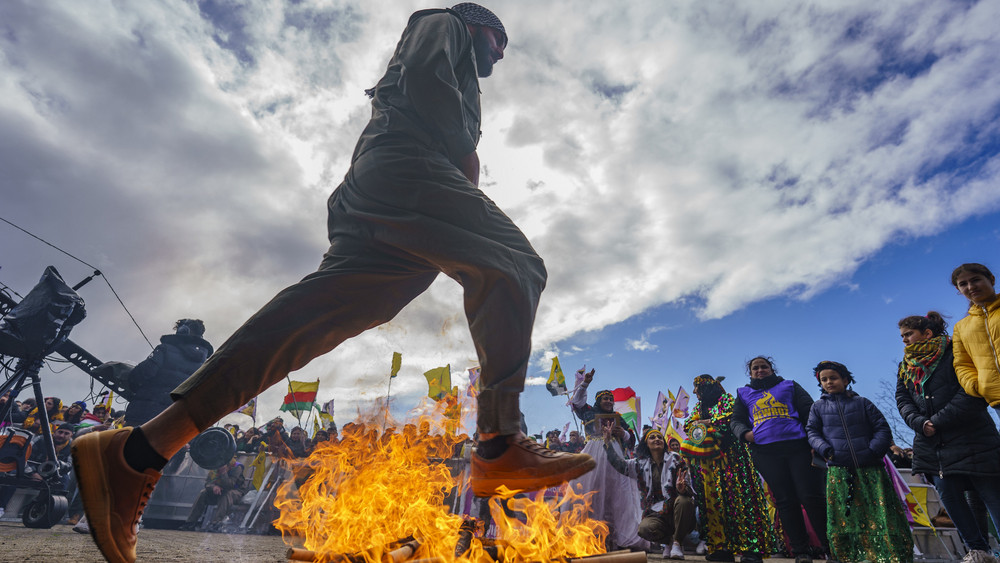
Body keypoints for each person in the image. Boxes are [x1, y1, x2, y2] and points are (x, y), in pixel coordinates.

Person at [71, 5, 595, 562]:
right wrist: (466, 157)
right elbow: (425, 75)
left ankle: (140, 452)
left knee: (308, 322)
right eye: (499, 38)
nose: (502, 53)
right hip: (405, 170)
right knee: (515, 264)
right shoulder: (443, 22)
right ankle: (500, 440)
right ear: (477, 23)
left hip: (385, 191)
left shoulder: (465, 66)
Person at [896, 312, 1000, 563]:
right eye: (902, 336)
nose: (905, 340)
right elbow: (902, 400)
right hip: (933, 446)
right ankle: (977, 551)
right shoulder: (905, 366)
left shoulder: (956, 352)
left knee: (993, 497)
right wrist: (920, 423)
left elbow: (971, 390)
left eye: (909, 334)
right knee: (950, 498)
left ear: (927, 333)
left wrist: (937, 421)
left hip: (974, 438)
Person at [806, 361, 912, 563]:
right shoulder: (817, 408)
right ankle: (849, 555)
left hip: (870, 468)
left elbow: (882, 428)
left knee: (879, 512)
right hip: (839, 470)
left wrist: (872, 451)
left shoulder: (862, 403)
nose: (829, 382)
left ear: (845, 380)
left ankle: (888, 554)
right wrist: (826, 450)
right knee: (846, 515)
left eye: (833, 378)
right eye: (824, 380)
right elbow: (812, 432)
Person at [731, 356, 828, 563]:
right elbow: (736, 420)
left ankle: (831, 549)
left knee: (811, 497)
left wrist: (815, 442)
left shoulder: (789, 386)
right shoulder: (743, 393)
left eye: (764, 367)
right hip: (766, 453)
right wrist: (745, 434)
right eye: (755, 368)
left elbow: (809, 411)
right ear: (750, 373)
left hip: (799, 448)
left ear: (772, 369)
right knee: (785, 500)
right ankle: (801, 552)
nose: (760, 370)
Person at [683, 374, 776, 563]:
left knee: (740, 501)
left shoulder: (726, 399)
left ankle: (751, 550)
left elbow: (729, 418)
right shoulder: (698, 407)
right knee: (713, 505)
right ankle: (720, 548)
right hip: (708, 466)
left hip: (732, 460)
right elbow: (688, 425)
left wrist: (705, 423)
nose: (694, 392)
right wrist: (703, 424)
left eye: (697, 388)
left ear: (706, 387)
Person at [566, 368, 645, 551]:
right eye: (605, 399)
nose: (609, 401)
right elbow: (576, 402)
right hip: (593, 453)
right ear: (598, 401)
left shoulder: (618, 418)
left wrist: (623, 433)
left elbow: (631, 438)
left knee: (617, 494)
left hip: (614, 455)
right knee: (590, 492)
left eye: (611, 399)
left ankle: (616, 537)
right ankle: (588, 535)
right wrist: (585, 383)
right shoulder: (588, 412)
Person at [604, 425, 696, 560]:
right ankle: (668, 542)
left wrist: (682, 489)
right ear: (646, 443)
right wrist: (608, 444)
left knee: (684, 501)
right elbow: (620, 465)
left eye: (660, 437)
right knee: (644, 529)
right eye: (652, 437)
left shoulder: (675, 459)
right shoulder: (639, 463)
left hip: (677, 509)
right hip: (655, 512)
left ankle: (677, 543)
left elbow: (688, 488)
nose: (657, 439)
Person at [123, 319, 213, 427]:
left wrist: (133, 386)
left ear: (182, 331)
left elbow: (142, 373)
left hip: (144, 414)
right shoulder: (204, 365)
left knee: (130, 438)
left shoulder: (164, 349)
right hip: (173, 423)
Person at [950, 263, 1000, 420]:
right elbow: (962, 364)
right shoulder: (961, 327)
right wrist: (977, 386)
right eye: (963, 284)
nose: (971, 287)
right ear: (958, 289)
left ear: (991, 279)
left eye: (975, 280)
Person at [178, 457, 246, 532]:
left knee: (226, 495)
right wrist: (213, 487)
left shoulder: (236, 467)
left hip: (235, 492)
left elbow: (230, 485)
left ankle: (216, 523)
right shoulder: (214, 467)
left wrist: (223, 473)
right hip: (219, 490)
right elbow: (207, 483)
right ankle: (190, 522)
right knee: (203, 493)